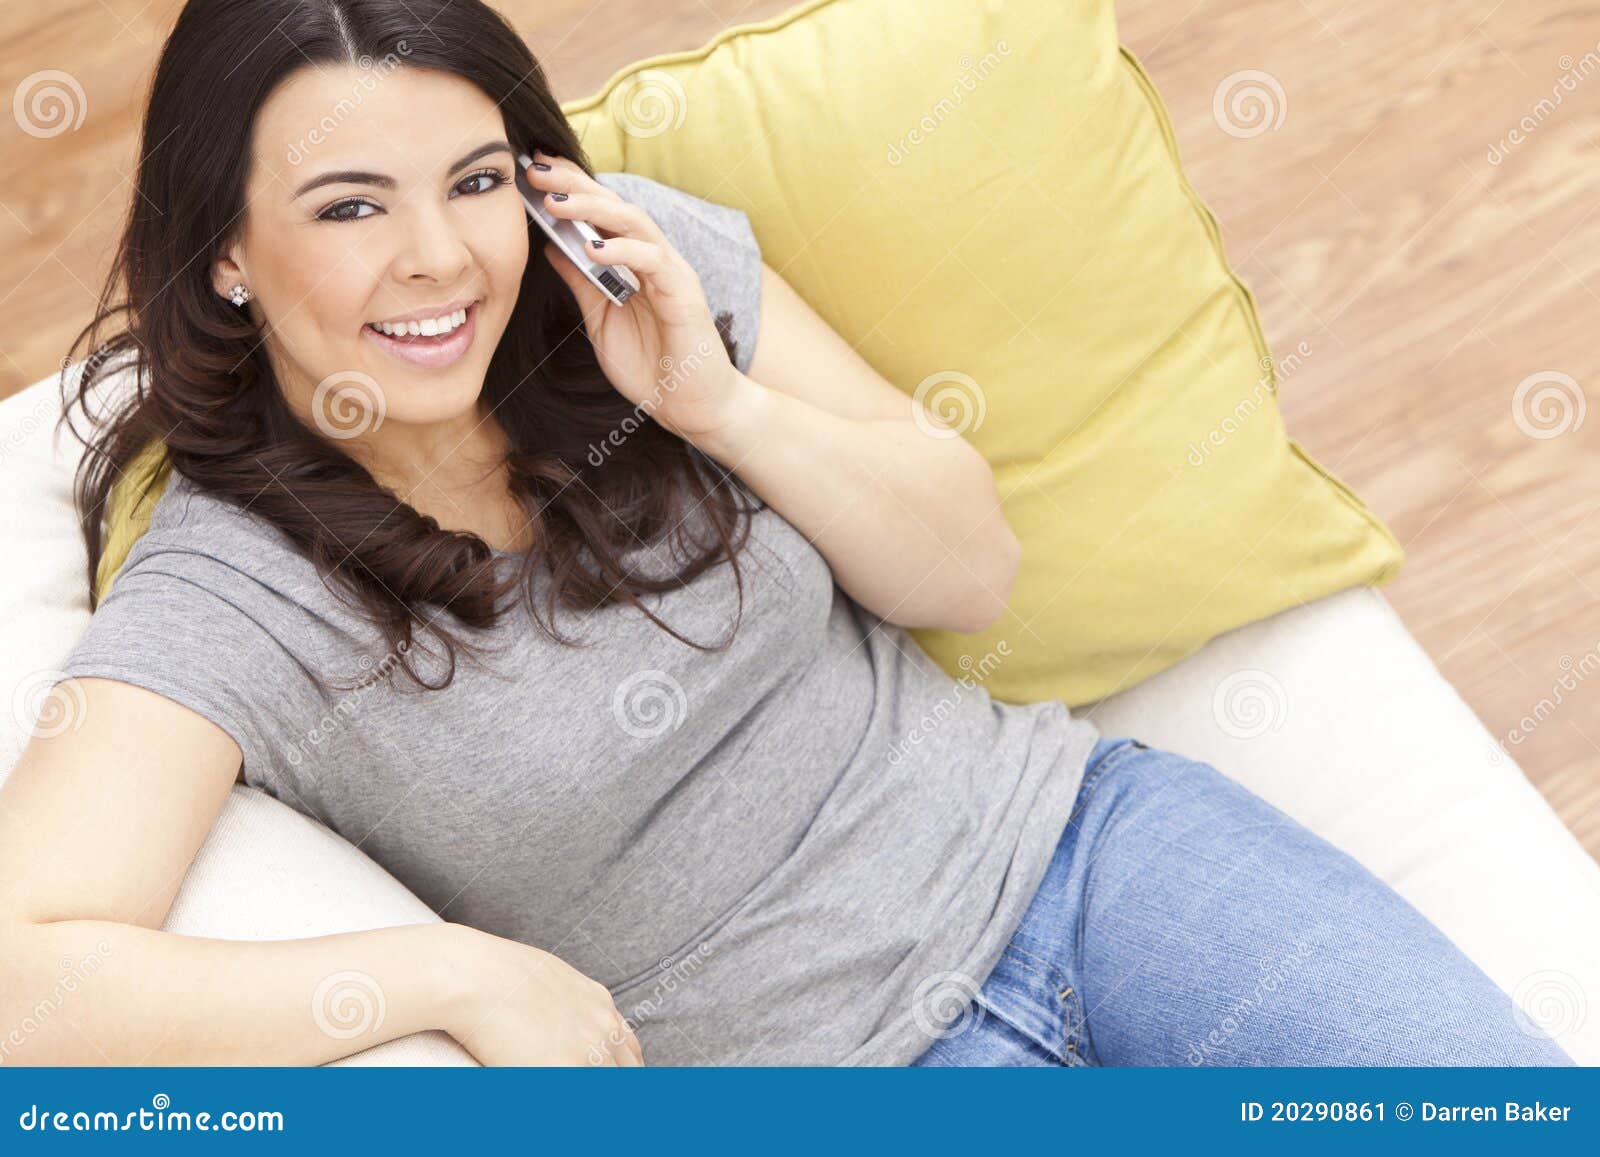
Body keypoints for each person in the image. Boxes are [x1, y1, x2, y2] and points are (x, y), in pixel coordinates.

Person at [0, 0, 1572, 1068]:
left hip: (1089, 855)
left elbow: (972, 568)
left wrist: (719, 405)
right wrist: (456, 976)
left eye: (474, 182)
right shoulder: (227, 588)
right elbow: (25, 979)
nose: (440, 260)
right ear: (223, 253)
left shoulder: (639, 270)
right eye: (350, 207)